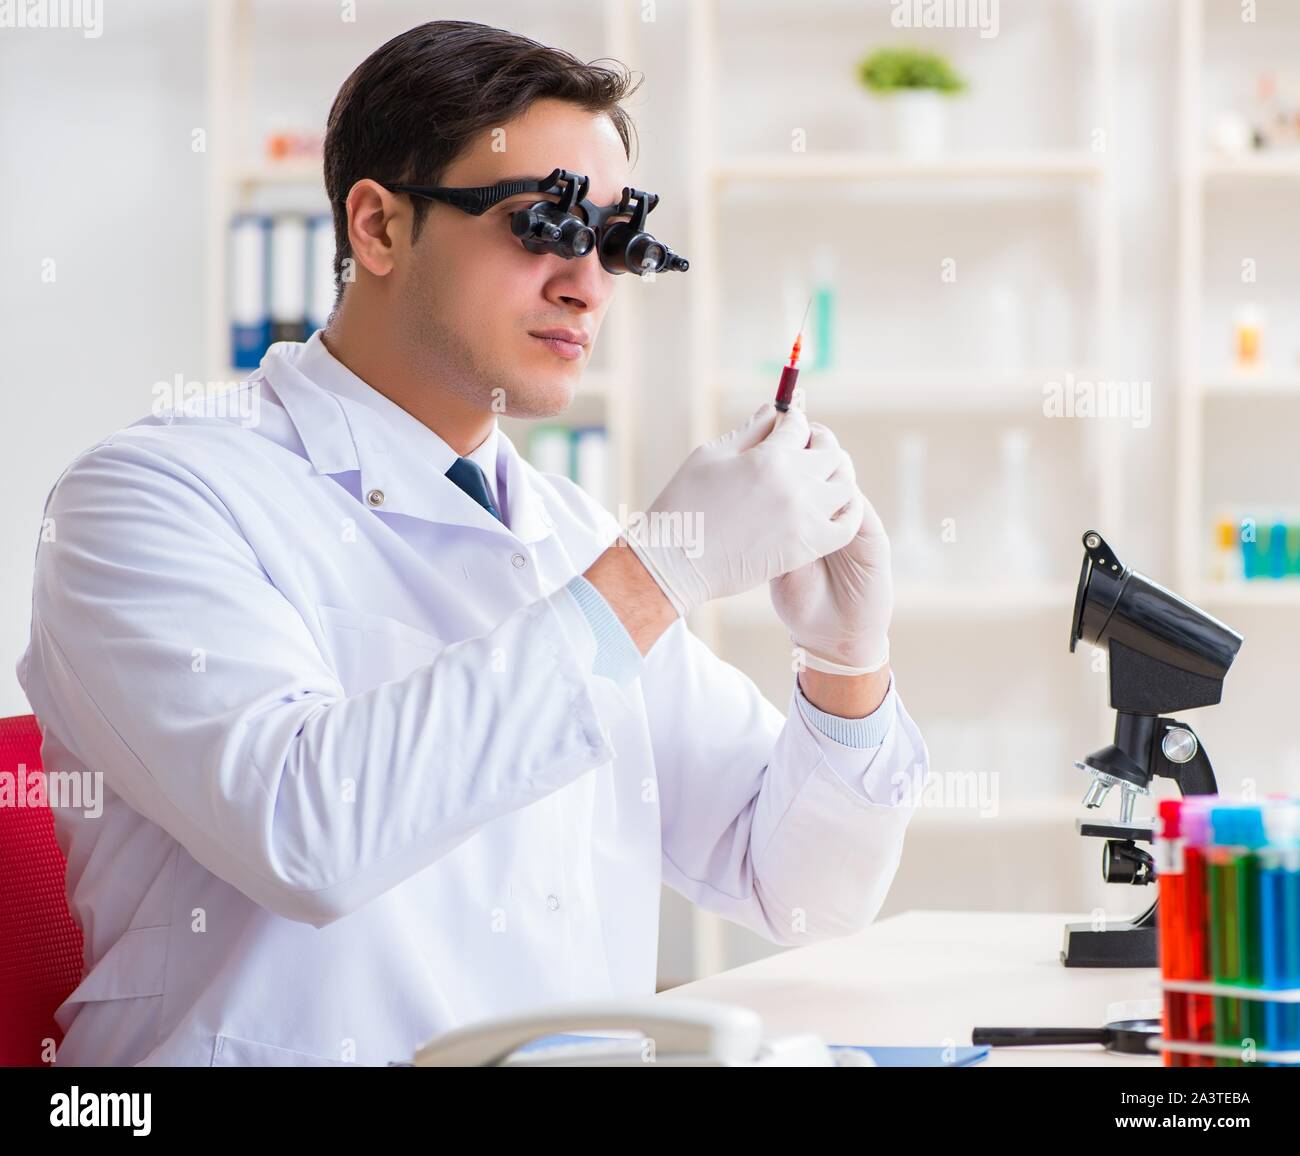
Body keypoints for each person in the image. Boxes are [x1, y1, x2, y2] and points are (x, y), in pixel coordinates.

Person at [17, 20, 929, 1066]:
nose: (588, 284)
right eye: (545, 223)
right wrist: (655, 574)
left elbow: (805, 895)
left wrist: (846, 664)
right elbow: (306, 831)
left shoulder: (568, 534)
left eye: (616, 241)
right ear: (378, 227)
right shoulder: (148, 498)